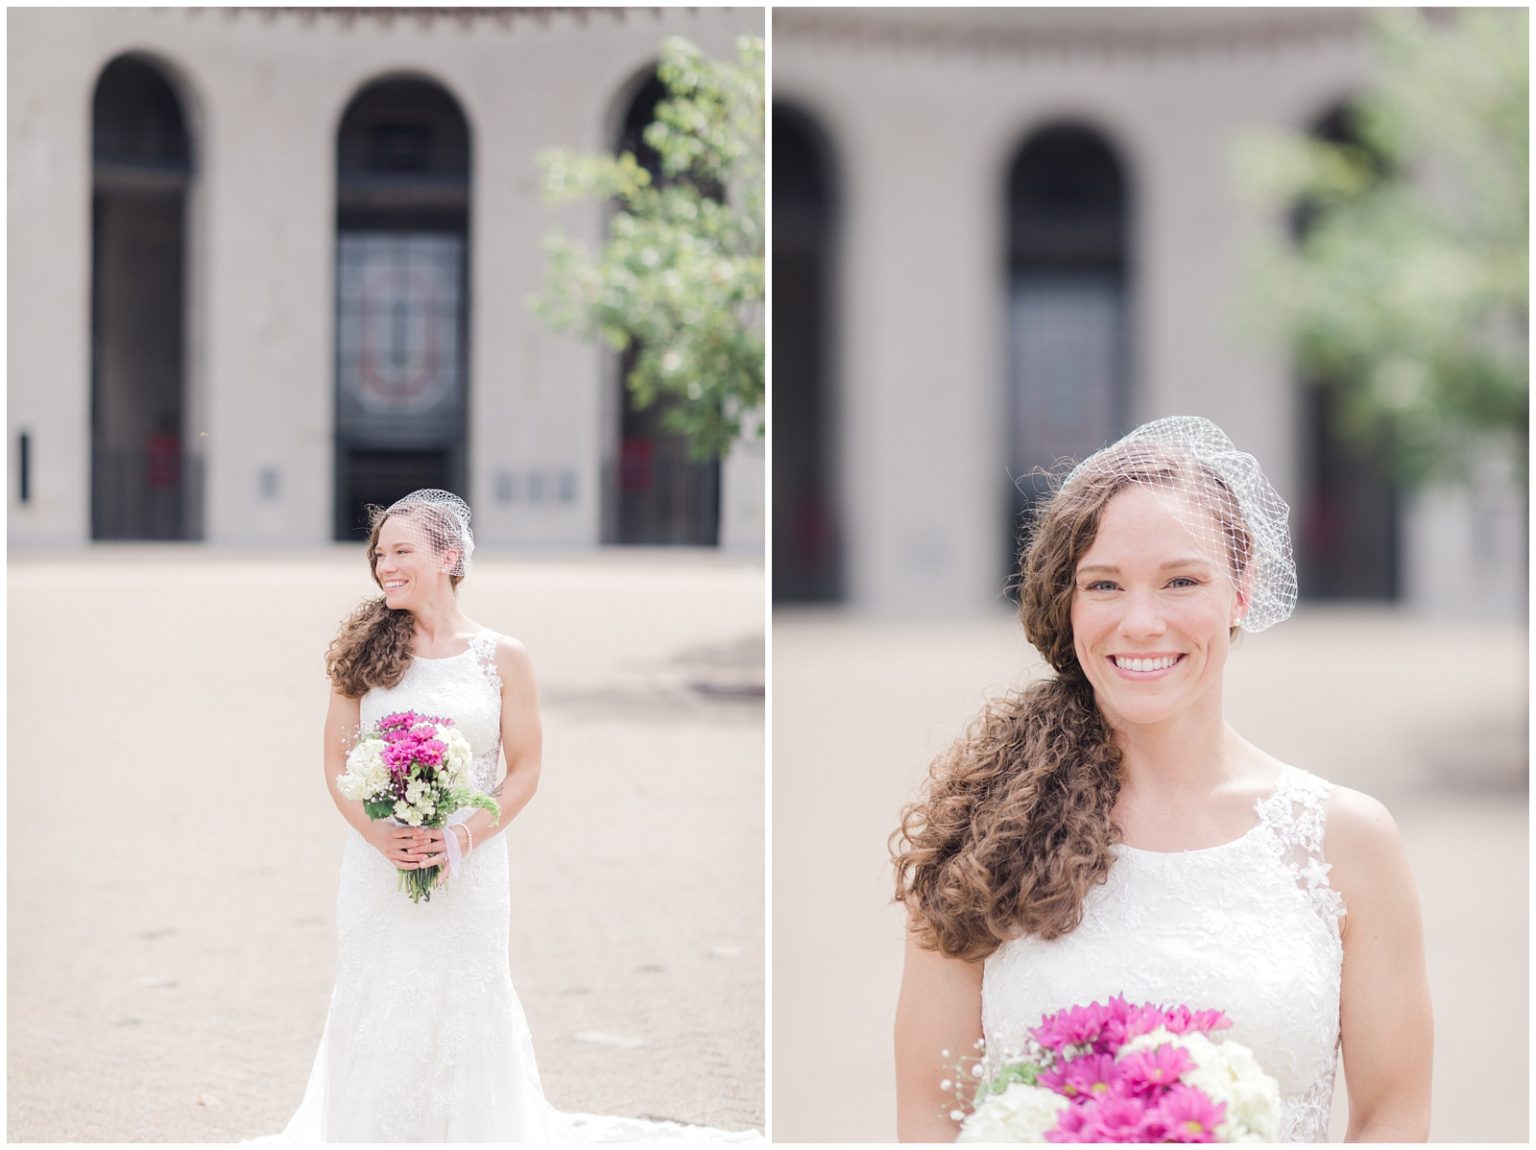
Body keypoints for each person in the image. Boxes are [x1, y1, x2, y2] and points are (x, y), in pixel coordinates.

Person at [890, 418, 1432, 1142]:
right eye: (1105, 585)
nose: (1141, 622)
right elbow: (931, 1118)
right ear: (1069, 602)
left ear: (1241, 591)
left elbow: (1393, 1117)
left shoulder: (1349, 841)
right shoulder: (982, 832)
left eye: (1181, 581)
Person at [275, 488, 758, 1143]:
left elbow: (525, 769)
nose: (384, 565)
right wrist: (377, 831)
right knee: (380, 994)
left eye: (401, 551)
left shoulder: (503, 657)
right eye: (379, 553)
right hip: (378, 864)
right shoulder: (362, 654)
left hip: (471, 865)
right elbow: (336, 762)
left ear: (449, 556)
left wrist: (460, 837)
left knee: (465, 1000)